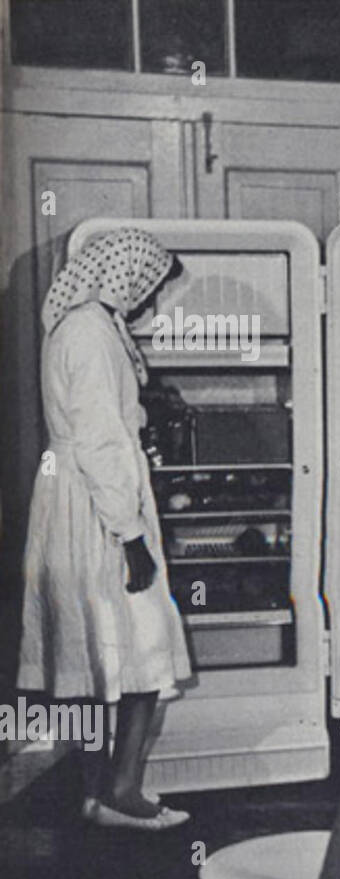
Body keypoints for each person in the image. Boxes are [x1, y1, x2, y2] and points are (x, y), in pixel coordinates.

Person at [18, 227, 192, 830]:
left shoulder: (79, 323)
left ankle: (93, 795)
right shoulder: (92, 332)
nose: (150, 301)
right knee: (144, 647)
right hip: (98, 506)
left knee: (91, 657)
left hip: (71, 497)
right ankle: (124, 792)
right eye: (150, 287)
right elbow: (100, 441)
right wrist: (131, 536)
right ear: (129, 276)